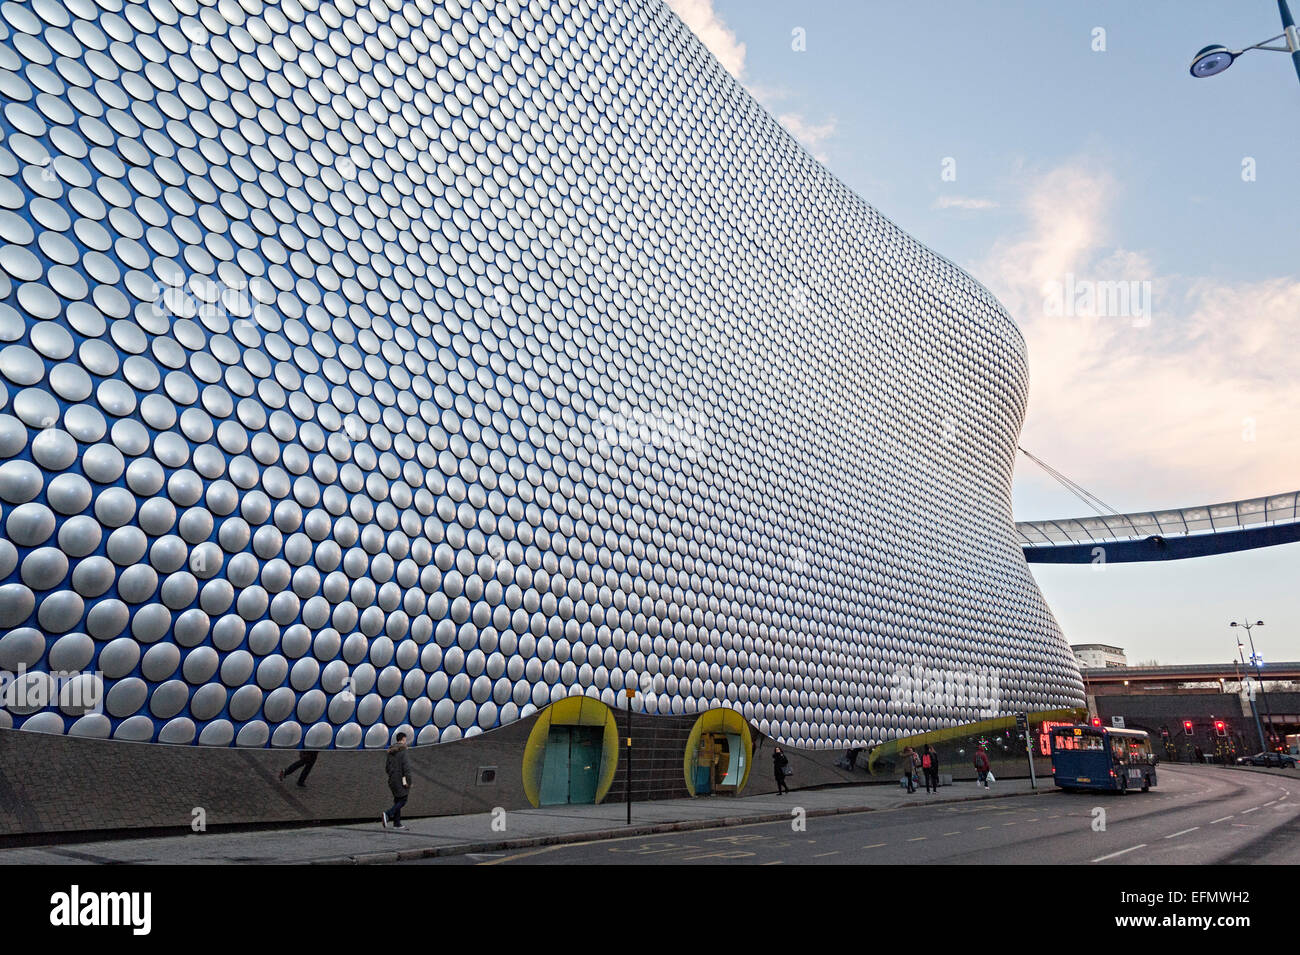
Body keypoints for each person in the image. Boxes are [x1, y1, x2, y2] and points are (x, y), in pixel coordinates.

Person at [381, 732, 412, 830]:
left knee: (397, 800)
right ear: (403, 739)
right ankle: (387, 814)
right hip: (401, 780)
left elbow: (387, 768)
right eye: (405, 739)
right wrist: (408, 782)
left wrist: (392, 775)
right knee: (403, 800)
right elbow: (406, 768)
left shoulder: (391, 752)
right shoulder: (403, 751)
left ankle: (397, 823)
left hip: (392, 780)